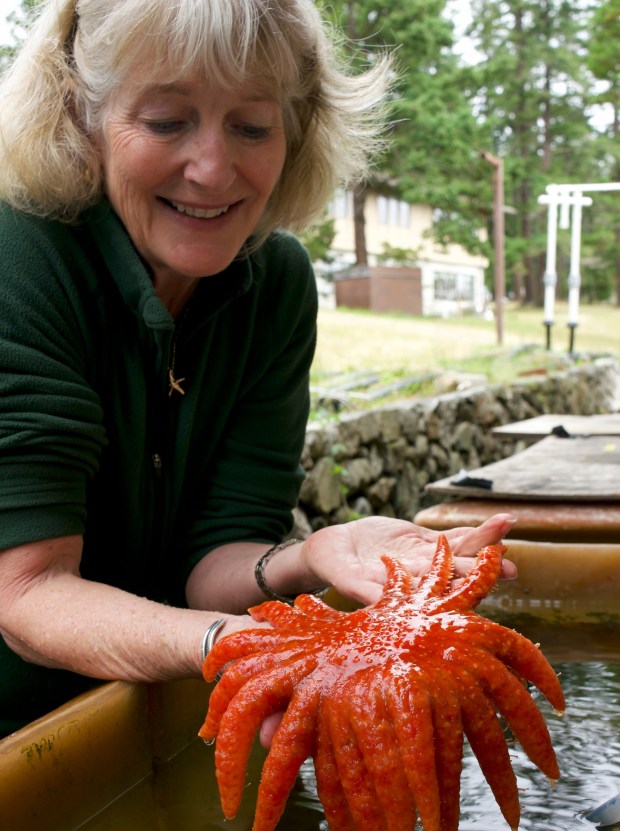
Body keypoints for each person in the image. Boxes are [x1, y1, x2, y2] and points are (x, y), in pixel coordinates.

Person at [0, 0, 516, 740]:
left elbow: (213, 562)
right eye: (166, 121)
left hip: (149, 722)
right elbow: (26, 593)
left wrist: (306, 557)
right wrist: (244, 646)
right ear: (80, 113)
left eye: (251, 126)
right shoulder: (18, 261)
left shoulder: (276, 283)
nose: (213, 170)